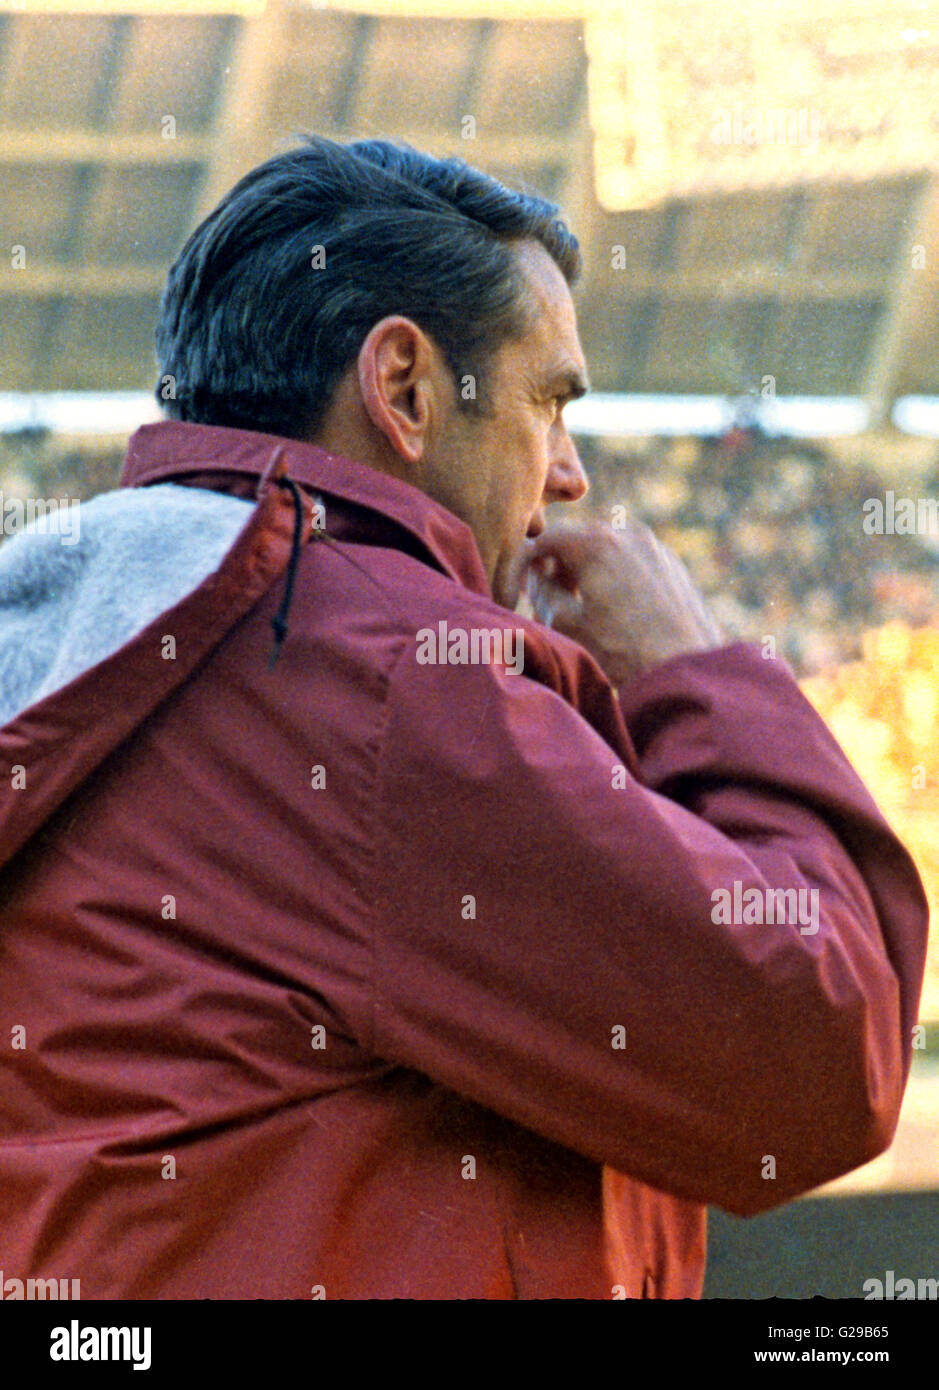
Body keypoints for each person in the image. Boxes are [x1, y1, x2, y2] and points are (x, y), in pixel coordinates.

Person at [0, 135, 927, 1299]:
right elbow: (819, 1059)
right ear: (405, 389)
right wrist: (697, 670)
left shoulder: (87, 623)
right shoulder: (377, 674)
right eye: (550, 402)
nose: (571, 472)